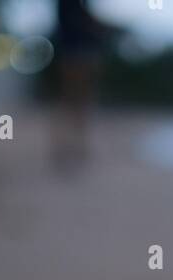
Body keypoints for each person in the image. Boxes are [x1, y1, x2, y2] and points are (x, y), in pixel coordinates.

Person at [52, 0, 109, 169]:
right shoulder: (72, 6)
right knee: (78, 101)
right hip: (77, 52)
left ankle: (72, 145)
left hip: (72, 51)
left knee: (72, 100)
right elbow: (79, 21)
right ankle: (74, 145)